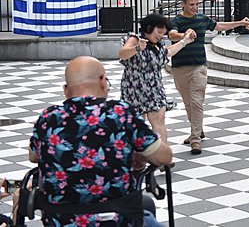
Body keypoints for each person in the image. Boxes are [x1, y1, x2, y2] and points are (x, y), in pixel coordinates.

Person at [29, 57, 172, 227]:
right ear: (103, 81)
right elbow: (164, 157)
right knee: (145, 208)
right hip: (116, 219)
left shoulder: (48, 118)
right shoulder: (120, 113)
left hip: (61, 221)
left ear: (66, 90)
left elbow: (33, 156)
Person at [168, 0, 249, 155]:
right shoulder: (176, 20)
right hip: (179, 68)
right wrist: (184, 35)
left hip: (199, 67)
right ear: (183, 4)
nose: (195, 7)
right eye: (191, 4)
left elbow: (218, 26)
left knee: (197, 101)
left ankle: (195, 139)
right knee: (188, 103)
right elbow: (171, 35)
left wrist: (240, 23)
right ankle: (197, 130)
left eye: (197, 4)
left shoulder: (202, 19)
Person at [120, 13, 196, 146]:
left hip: (155, 87)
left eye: (163, 33)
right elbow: (122, 53)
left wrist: (184, 41)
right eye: (159, 32)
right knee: (136, 123)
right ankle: (138, 158)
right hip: (134, 88)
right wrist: (137, 48)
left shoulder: (158, 45)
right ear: (149, 28)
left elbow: (168, 52)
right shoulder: (134, 38)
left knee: (158, 119)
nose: (161, 35)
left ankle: (163, 157)